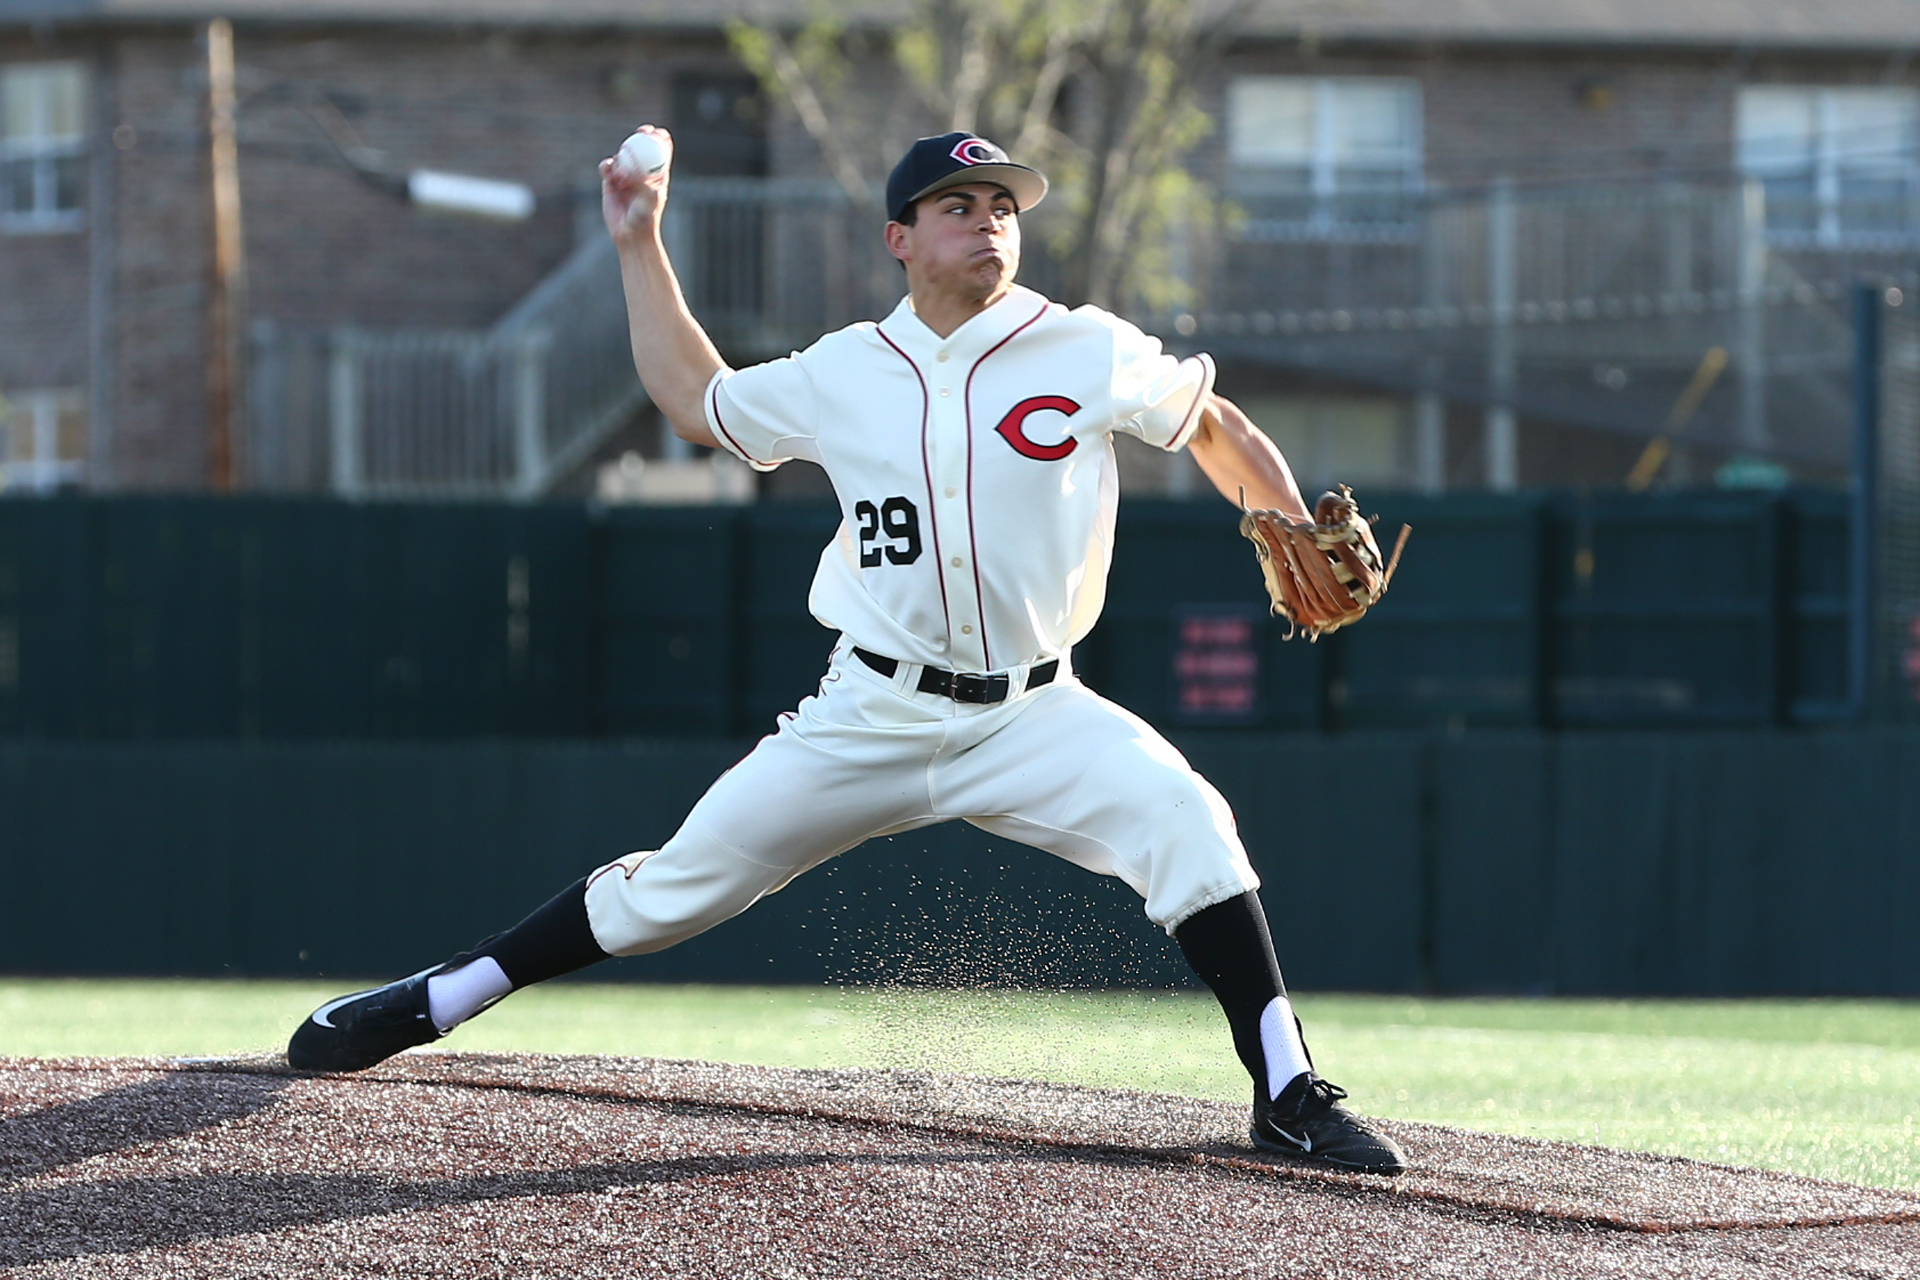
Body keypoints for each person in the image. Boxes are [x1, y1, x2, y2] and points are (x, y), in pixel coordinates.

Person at [288, 128, 1408, 1176]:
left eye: (1004, 206)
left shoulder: (1084, 345)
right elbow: (698, 402)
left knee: (1189, 822)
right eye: (959, 206)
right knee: (668, 894)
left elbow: (1211, 422)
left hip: (1034, 712)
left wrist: (1286, 514)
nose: (990, 222)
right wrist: (637, 242)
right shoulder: (843, 369)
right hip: (870, 713)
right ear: (899, 239)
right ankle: (438, 997)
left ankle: (1286, 1089)